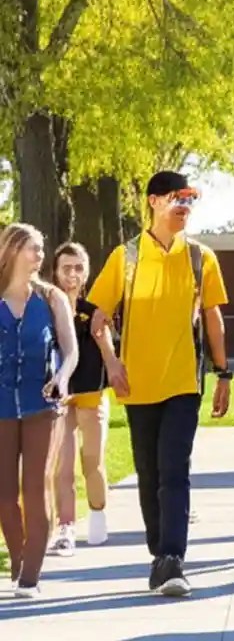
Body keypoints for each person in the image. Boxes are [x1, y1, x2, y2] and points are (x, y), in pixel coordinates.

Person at [88, 171, 232, 598]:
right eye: (175, 198)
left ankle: (173, 558)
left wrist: (224, 373)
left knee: (174, 470)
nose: (184, 206)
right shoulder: (126, 257)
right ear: (153, 201)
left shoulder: (200, 258)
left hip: (184, 382)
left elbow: (212, 317)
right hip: (137, 384)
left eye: (190, 198)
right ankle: (159, 555)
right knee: (148, 473)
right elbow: (98, 319)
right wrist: (112, 364)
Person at [0, 223, 78, 599]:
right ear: (13, 250)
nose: (40, 256)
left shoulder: (51, 299)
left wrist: (62, 377)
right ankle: (17, 560)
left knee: (34, 487)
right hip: (0, 407)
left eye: (42, 249)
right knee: (3, 493)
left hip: (41, 405)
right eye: (33, 248)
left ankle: (31, 575)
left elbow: (71, 349)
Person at [48, 242, 120, 557]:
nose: (72, 274)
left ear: (87, 271)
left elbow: (108, 350)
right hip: (60, 397)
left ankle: (97, 511)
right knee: (62, 465)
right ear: (55, 271)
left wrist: (116, 368)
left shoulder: (94, 311)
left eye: (78, 267)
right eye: (66, 267)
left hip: (91, 392)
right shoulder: (46, 307)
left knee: (92, 459)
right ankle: (65, 528)